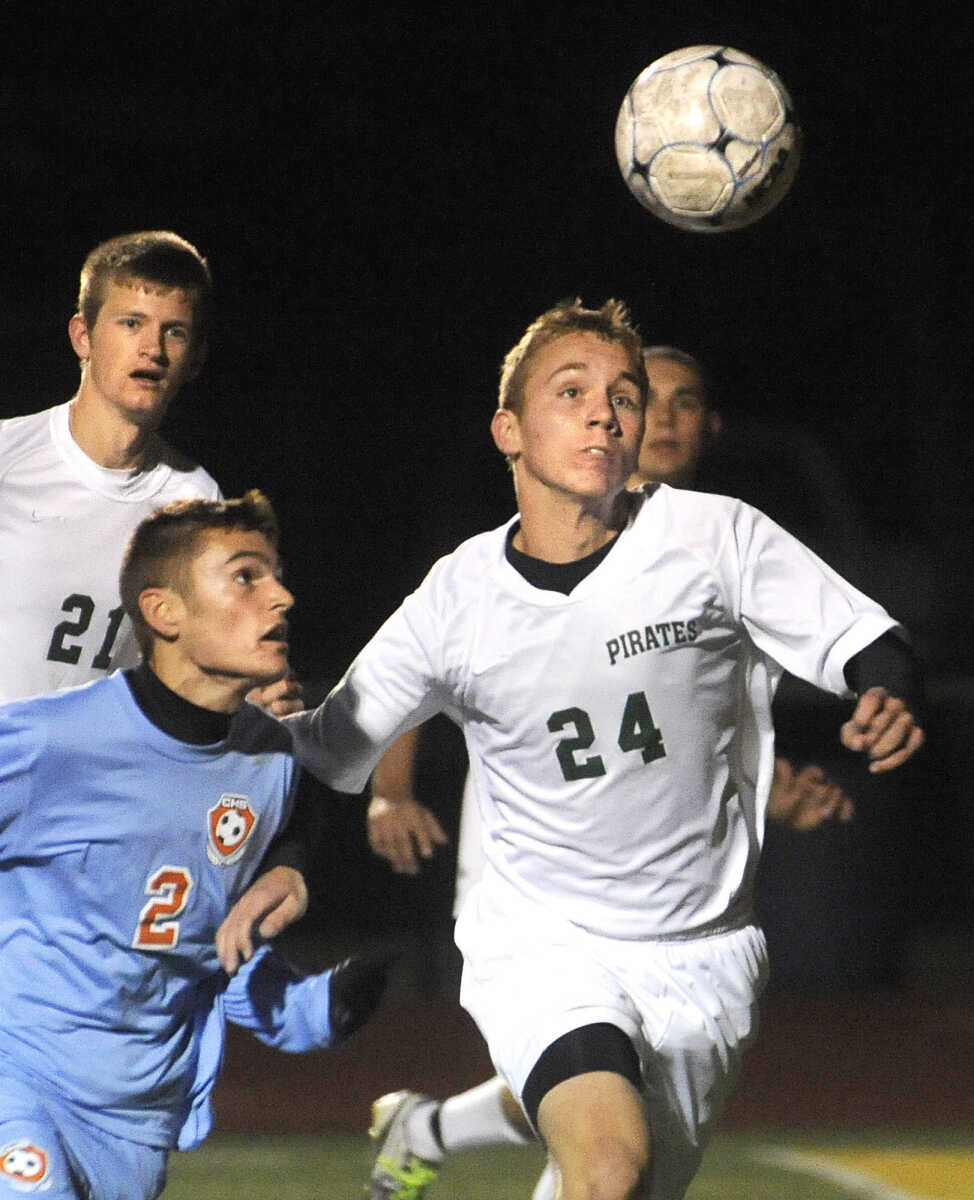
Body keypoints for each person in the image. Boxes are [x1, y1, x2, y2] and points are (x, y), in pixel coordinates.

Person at [277, 300, 923, 1200]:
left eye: (624, 396)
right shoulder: (457, 597)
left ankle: (432, 1131)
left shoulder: (714, 536)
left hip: (705, 955)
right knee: (610, 1166)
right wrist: (259, 771)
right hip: (540, 940)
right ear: (508, 431)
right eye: (572, 392)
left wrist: (887, 689)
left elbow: (865, 639)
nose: (605, 415)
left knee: (609, 1183)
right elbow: (321, 753)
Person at [0, 492, 388, 1200]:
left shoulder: (268, 764)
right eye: (245, 577)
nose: (281, 597)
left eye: (275, 575)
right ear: (163, 612)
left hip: (138, 1122)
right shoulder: (56, 742)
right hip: (17, 1080)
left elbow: (196, 935)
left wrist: (297, 1009)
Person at [0, 229, 297, 715]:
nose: (153, 349)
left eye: (174, 331)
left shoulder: (195, 503)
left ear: (196, 358)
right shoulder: (7, 457)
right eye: (131, 323)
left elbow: (197, 664)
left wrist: (251, 695)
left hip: (97, 763)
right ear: (83, 337)